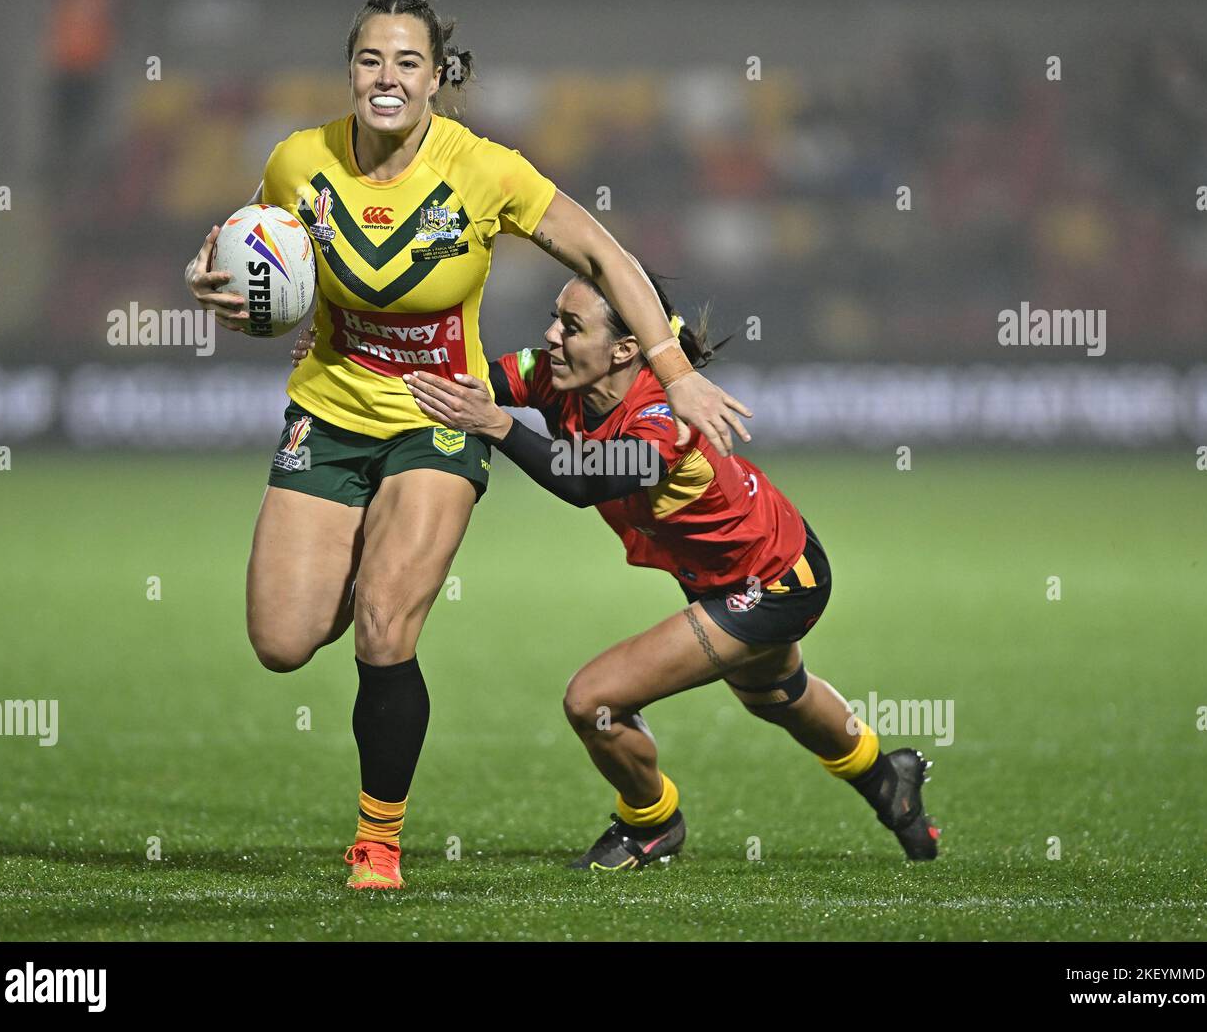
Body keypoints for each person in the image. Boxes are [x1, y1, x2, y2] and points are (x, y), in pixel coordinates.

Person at [182, 0, 751, 891]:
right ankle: (363, 562)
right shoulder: (298, 160)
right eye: (371, 60)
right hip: (327, 415)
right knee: (282, 640)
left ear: (437, 77)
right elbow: (256, 249)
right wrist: (211, 280)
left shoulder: (483, 169)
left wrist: (675, 372)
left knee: (384, 628)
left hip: (439, 419)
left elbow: (607, 258)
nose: (387, 78)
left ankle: (377, 842)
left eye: (408, 62)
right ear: (350, 70)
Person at [397, 271, 941, 868]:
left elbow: (587, 481)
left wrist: (498, 425)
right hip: (729, 570)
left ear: (625, 349)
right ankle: (887, 780)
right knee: (778, 697)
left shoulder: (665, 414)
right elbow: (460, 378)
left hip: (773, 580)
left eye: (572, 326)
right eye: (555, 318)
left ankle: (652, 823)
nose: (551, 336)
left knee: (594, 702)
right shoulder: (557, 373)